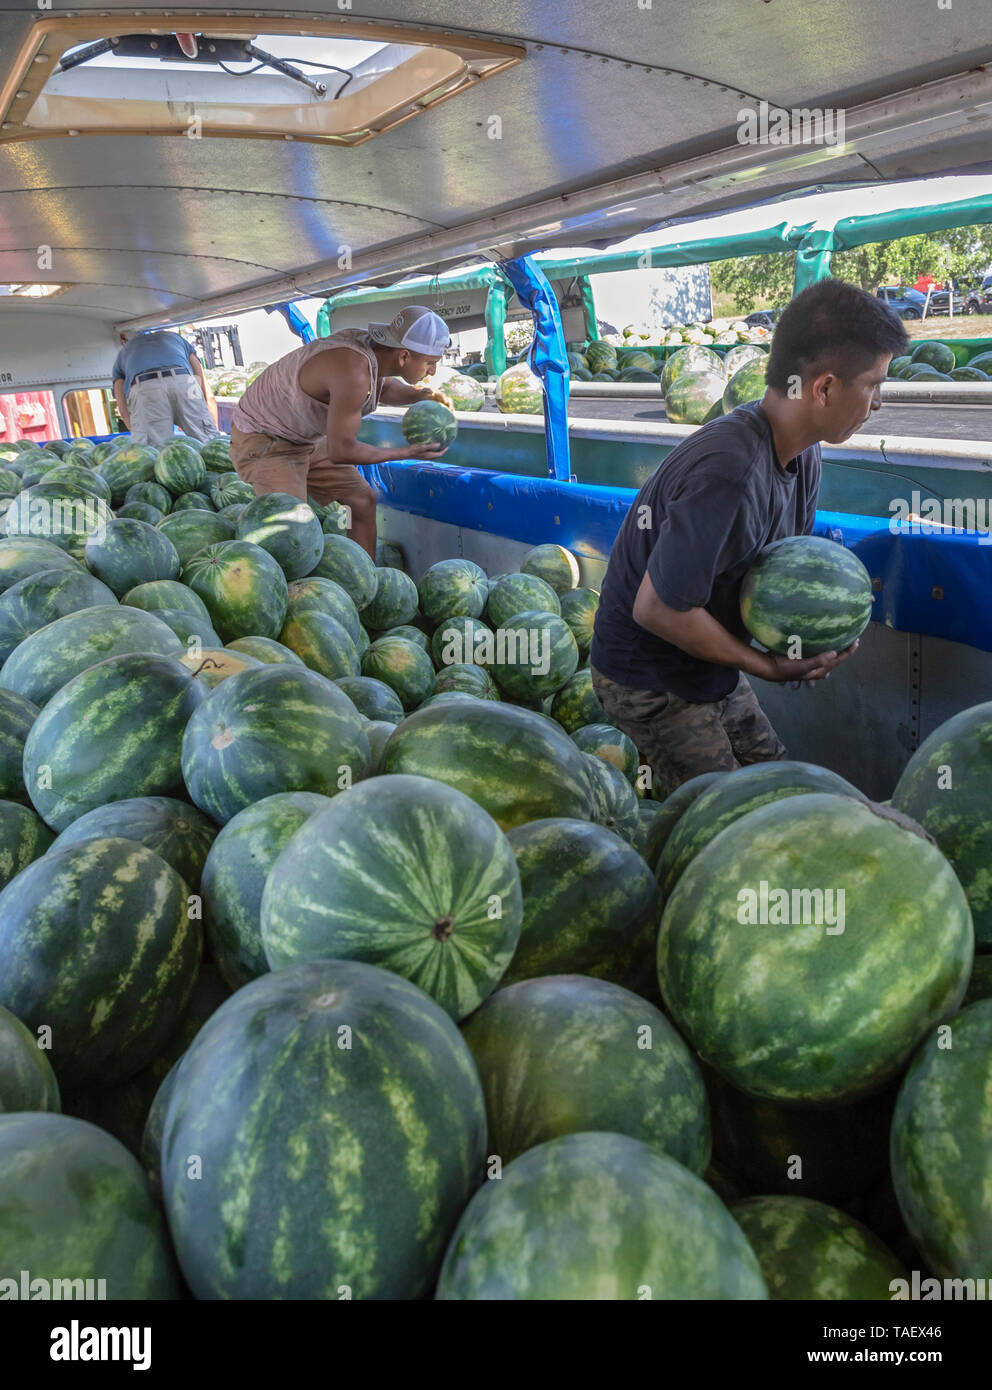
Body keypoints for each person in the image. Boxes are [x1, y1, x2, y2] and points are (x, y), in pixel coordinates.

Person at [589, 279, 908, 799]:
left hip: (706, 659)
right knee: (726, 816)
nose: (877, 403)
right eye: (874, 385)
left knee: (778, 782)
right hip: (649, 678)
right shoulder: (729, 473)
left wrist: (810, 643)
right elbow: (657, 610)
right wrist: (771, 667)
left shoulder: (805, 452)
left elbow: (778, 575)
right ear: (824, 388)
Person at [230, 305, 454, 558]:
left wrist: (424, 395)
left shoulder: (375, 354)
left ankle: (362, 573)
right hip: (265, 438)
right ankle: (239, 554)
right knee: (291, 536)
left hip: (302, 437)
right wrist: (407, 451)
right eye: (430, 363)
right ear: (403, 356)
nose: (432, 371)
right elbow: (341, 450)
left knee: (360, 502)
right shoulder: (353, 370)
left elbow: (387, 388)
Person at [112, 329, 222, 447]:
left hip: (145, 389)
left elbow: (123, 409)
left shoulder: (124, 352)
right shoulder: (176, 338)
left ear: (125, 340)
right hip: (184, 381)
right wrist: (213, 433)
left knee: (155, 452)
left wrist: (140, 432)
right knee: (208, 445)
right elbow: (206, 392)